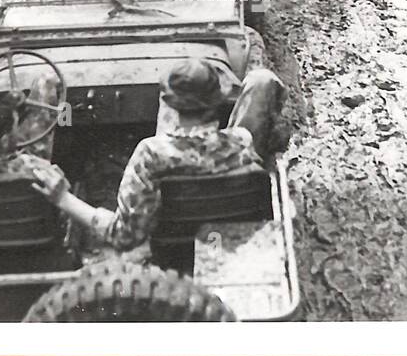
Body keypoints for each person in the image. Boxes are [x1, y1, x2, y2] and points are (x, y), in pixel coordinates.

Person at [81, 57, 288, 251]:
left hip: (176, 255)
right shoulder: (243, 142)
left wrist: (63, 198)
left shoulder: (151, 155)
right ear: (217, 102)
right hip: (233, 245)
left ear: (172, 106)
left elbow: (125, 236)